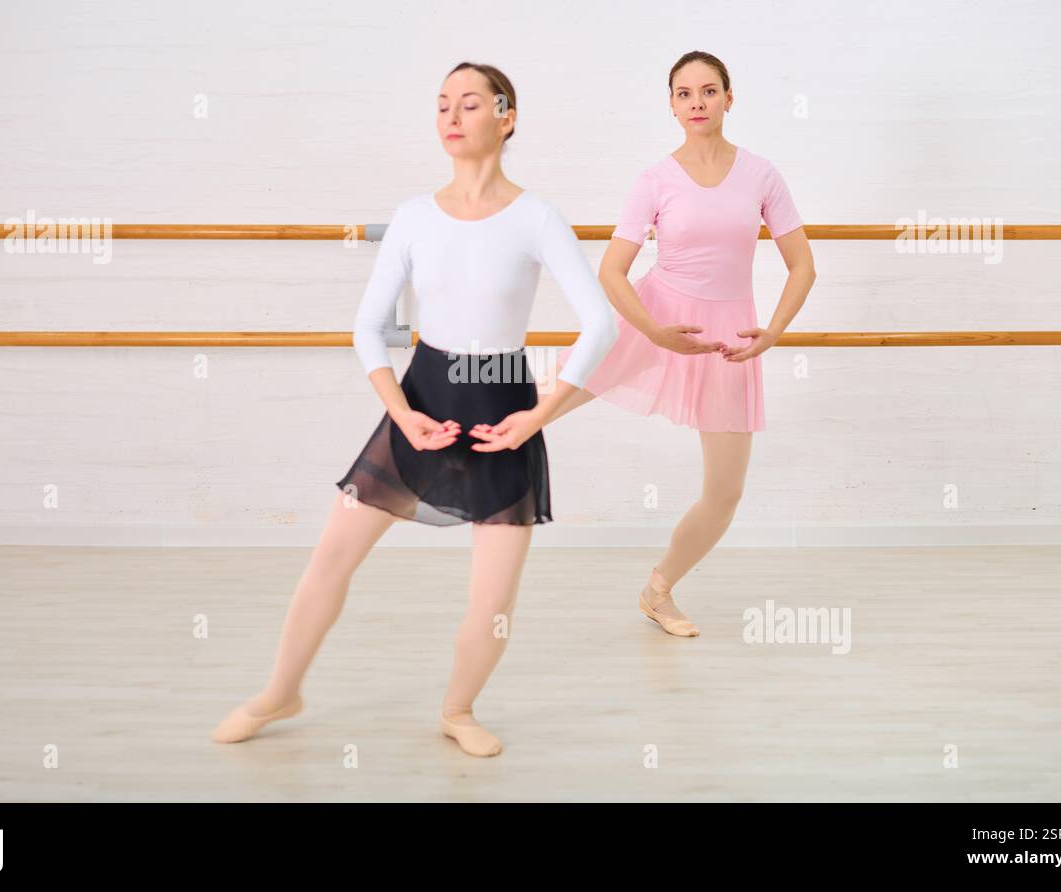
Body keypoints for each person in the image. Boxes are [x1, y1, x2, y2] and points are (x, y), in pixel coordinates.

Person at [211, 61, 618, 757]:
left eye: (468, 103)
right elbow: (367, 328)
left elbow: (601, 324)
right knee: (330, 558)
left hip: (501, 414)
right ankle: (282, 690)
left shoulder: (537, 217)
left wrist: (539, 415)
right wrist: (402, 414)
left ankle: (458, 711)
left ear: (506, 116)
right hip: (422, 400)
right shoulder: (413, 217)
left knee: (492, 601)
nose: (451, 117)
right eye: (440, 106)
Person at [549, 50, 817, 637]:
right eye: (684, 93)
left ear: (729, 98)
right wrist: (652, 331)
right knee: (543, 405)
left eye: (708, 91)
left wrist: (772, 332)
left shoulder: (762, 174)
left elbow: (802, 266)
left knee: (725, 491)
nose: (697, 102)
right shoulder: (654, 180)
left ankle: (658, 590)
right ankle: (452, 453)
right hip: (658, 316)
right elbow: (613, 272)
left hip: (728, 339)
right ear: (671, 104)